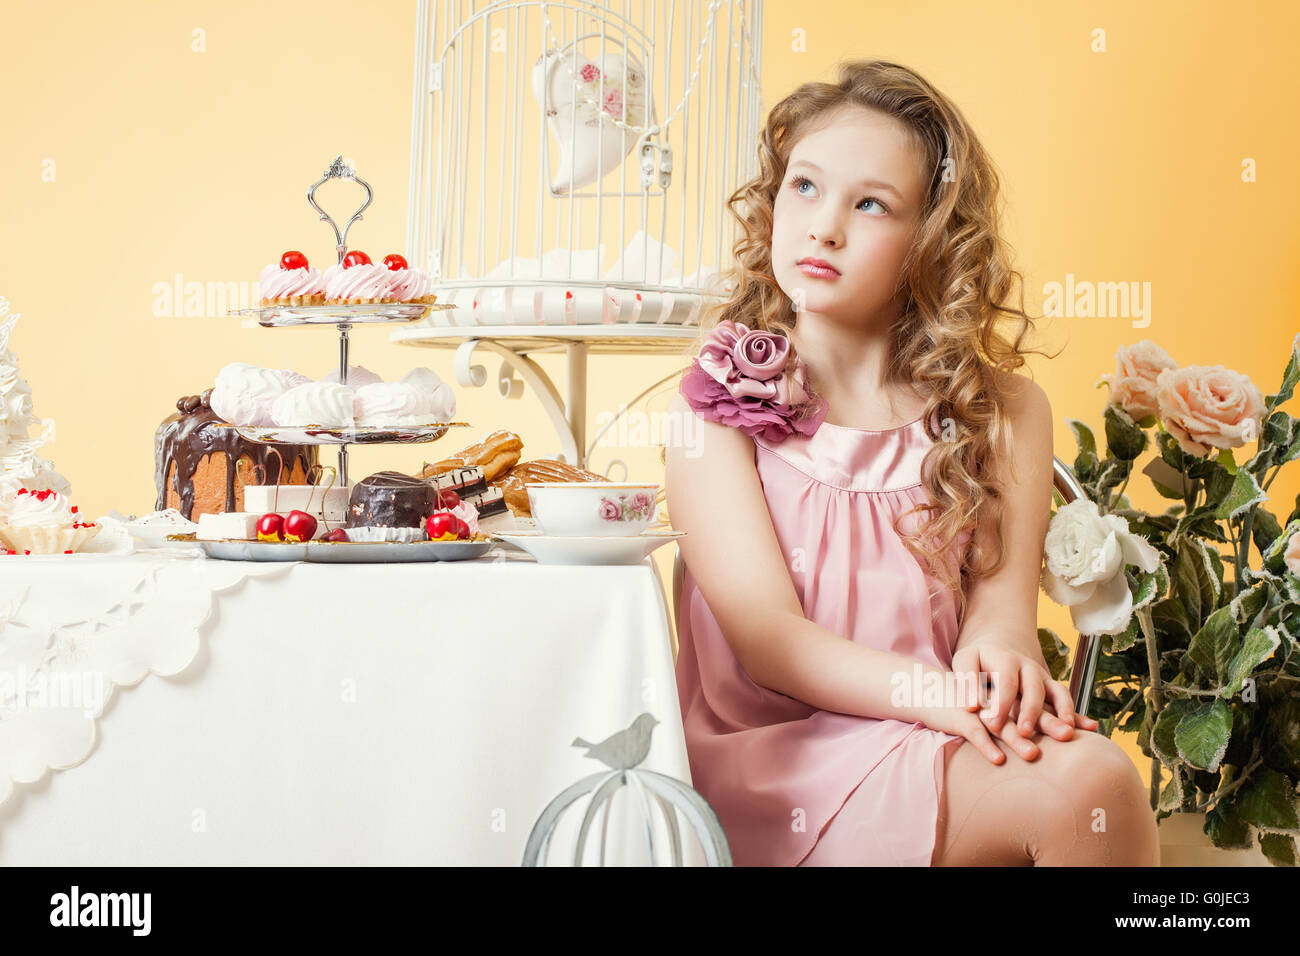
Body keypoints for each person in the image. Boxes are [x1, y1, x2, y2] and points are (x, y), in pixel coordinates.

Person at [663, 59, 1159, 866]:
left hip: (937, 730)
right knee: (1087, 790)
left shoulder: (1004, 412)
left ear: (931, 236)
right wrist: (934, 696)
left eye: (871, 204)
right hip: (775, 762)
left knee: (1095, 782)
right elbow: (768, 641)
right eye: (805, 186)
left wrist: (999, 660)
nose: (825, 228)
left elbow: (1001, 612)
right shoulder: (714, 410)